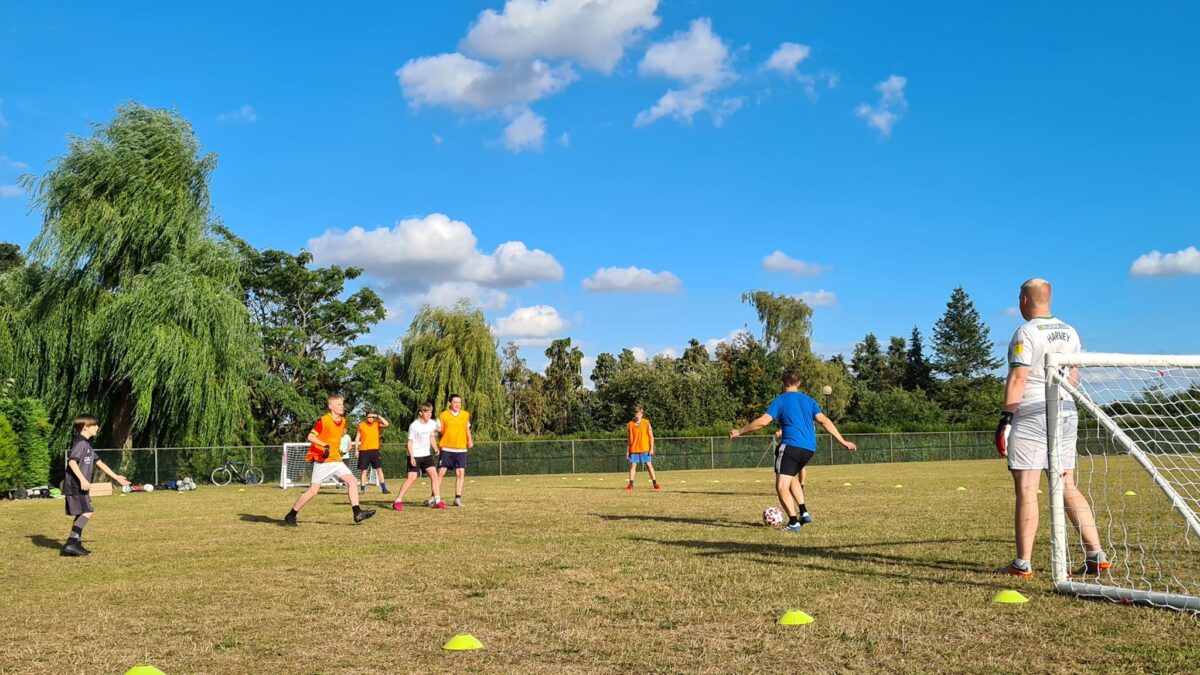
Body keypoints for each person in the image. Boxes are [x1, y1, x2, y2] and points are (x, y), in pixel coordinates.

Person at [994, 278, 1108, 578]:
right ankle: (1096, 553)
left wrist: (1006, 417)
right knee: (1065, 484)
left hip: (1031, 411)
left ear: (1023, 300)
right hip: (1065, 410)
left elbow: (1018, 377)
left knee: (1027, 488)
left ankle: (1022, 564)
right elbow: (1073, 375)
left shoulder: (1026, 332)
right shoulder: (1070, 331)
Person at [729, 372, 857, 532]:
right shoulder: (809, 401)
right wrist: (843, 441)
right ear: (799, 384)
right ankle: (803, 512)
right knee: (793, 479)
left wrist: (739, 431)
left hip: (790, 447)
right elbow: (824, 421)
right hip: (809, 449)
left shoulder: (781, 400)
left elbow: (763, 422)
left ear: (783, 384)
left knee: (782, 486)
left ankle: (793, 522)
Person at [284, 394, 375, 526]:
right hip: (323, 462)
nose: (342, 406)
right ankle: (291, 515)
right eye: (338, 404)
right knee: (313, 491)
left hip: (337, 460)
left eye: (342, 404)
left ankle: (357, 512)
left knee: (353, 481)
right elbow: (310, 436)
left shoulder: (343, 421)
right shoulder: (323, 421)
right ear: (330, 406)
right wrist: (323, 445)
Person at [60, 415, 131, 556]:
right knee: (88, 511)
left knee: (83, 511)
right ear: (85, 427)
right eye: (94, 425)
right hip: (76, 485)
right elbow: (72, 462)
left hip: (79, 485)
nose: (97, 427)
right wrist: (82, 480)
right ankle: (71, 543)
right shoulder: (80, 444)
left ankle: (75, 542)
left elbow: (99, 463)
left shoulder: (87, 445)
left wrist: (116, 477)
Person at [394, 403, 441, 510]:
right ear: (420, 413)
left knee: (434, 475)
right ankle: (397, 500)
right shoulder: (414, 426)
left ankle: (437, 501)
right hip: (415, 455)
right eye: (426, 412)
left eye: (430, 412)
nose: (429, 414)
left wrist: (435, 448)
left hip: (426, 455)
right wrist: (411, 457)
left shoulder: (432, 423)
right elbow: (409, 443)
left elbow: (431, 437)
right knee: (412, 478)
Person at [435, 394, 472, 507]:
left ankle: (457, 498)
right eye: (455, 402)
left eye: (459, 402)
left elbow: (466, 428)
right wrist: (430, 427)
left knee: (460, 473)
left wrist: (469, 440)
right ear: (450, 403)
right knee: (441, 473)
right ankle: (435, 496)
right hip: (447, 448)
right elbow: (439, 429)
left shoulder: (465, 415)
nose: (457, 405)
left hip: (461, 448)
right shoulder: (443, 415)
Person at [624, 407, 661, 491]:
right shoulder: (630, 424)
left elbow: (651, 437)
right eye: (636, 414)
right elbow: (629, 439)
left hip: (645, 448)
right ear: (634, 415)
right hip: (634, 449)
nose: (637, 415)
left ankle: (655, 483)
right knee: (633, 466)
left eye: (639, 414)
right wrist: (627, 451)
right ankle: (630, 485)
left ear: (642, 415)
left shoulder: (646, 423)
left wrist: (651, 448)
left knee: (648, 465)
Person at [355, 411, 390, 494]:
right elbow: (357, 438)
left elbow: (387, 424)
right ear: (366, 417)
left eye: (372, 417)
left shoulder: (376, 424)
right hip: (364, 451)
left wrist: (378, 415)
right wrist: (356, 450)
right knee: (364, 471)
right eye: (369, 417)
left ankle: (384, 489)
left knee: (379, 470)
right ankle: (363, 490)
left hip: (374, 451)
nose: (371, 418)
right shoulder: (361, 425)